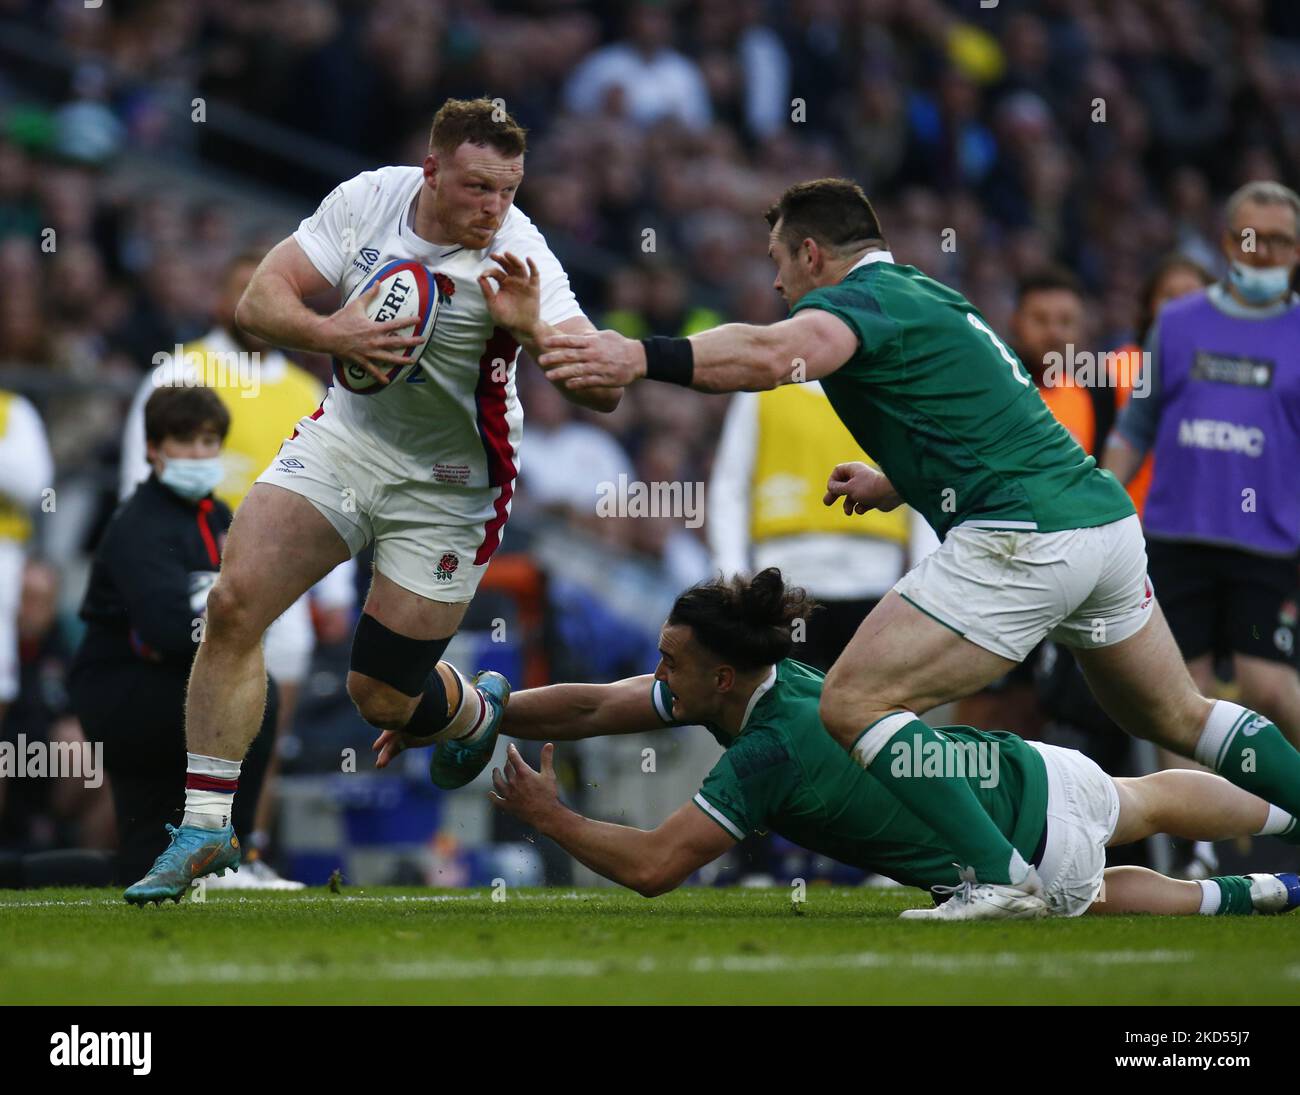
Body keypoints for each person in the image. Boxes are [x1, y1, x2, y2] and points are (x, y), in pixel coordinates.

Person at [535, 176, 1300, 919]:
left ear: (811, 253)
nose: (774, 282)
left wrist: (638, 357)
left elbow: (770, 356)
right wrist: (899, 480)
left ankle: (995, 878)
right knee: (1180, 713)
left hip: (1022, 537)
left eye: (776, 261)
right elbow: (991, 421)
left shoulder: (854, 302)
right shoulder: (934, 296)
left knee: (853, 700)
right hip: (1101, 525)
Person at [122, 97, 621, 905]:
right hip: (346, 442)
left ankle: (470, 713)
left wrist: (533, 332)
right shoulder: (368, 201)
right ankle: (207, 826)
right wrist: (338, 333)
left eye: (508, 190)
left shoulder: (522, 255)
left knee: (379, 694)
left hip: (451, 486)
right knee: (234, 601)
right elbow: (258, 300)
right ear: (430, 170)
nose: (493, 208)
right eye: (476, 188)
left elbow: (602, 395)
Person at [455, 570, 1296, 919]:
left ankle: (1274, 887)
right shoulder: (771, 680)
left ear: (719, 677)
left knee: (1097, 891)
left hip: (1005, 853)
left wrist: (550, 815)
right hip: (1019, 767)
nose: (656, 671)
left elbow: (654, 868)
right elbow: (600, 704)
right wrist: (485, 707)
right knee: (1136, 799)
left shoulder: (765, 752)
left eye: (671, 660)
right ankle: (1288, 825)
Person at [120, 249, 354, 886]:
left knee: (271, 725)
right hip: (199, 580)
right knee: (204, 716)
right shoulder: (180, 370)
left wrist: (333, 589)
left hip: (292, 582)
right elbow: (137, 481)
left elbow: (340, 489)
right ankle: (194, 839)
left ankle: (246, 852)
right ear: (225, 298)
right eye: (238, 286)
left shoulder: (309, 390)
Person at [1104, 182, 1300, 748]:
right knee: (1178, 699)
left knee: (1268, 688)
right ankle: (1196, 837)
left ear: (1297, 252)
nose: (1262, 252)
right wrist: (1100, 499)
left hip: (1267, 547)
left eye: (1279, 241)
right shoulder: (1180, 323)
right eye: (1250, 238)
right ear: (1226, 241)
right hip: (1175, 537)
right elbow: (1135, 425)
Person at [71, 386, 276, 890]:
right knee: (245, 700)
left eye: (210, 441)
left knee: (141, 861)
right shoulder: (139, 525)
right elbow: (165, 629)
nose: (200, 454)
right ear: (153, 448)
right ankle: (226, 853)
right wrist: (232, 628)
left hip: (167, 680)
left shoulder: (218, 516)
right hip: (128, 690)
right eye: (185, 440)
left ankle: (232, 852)